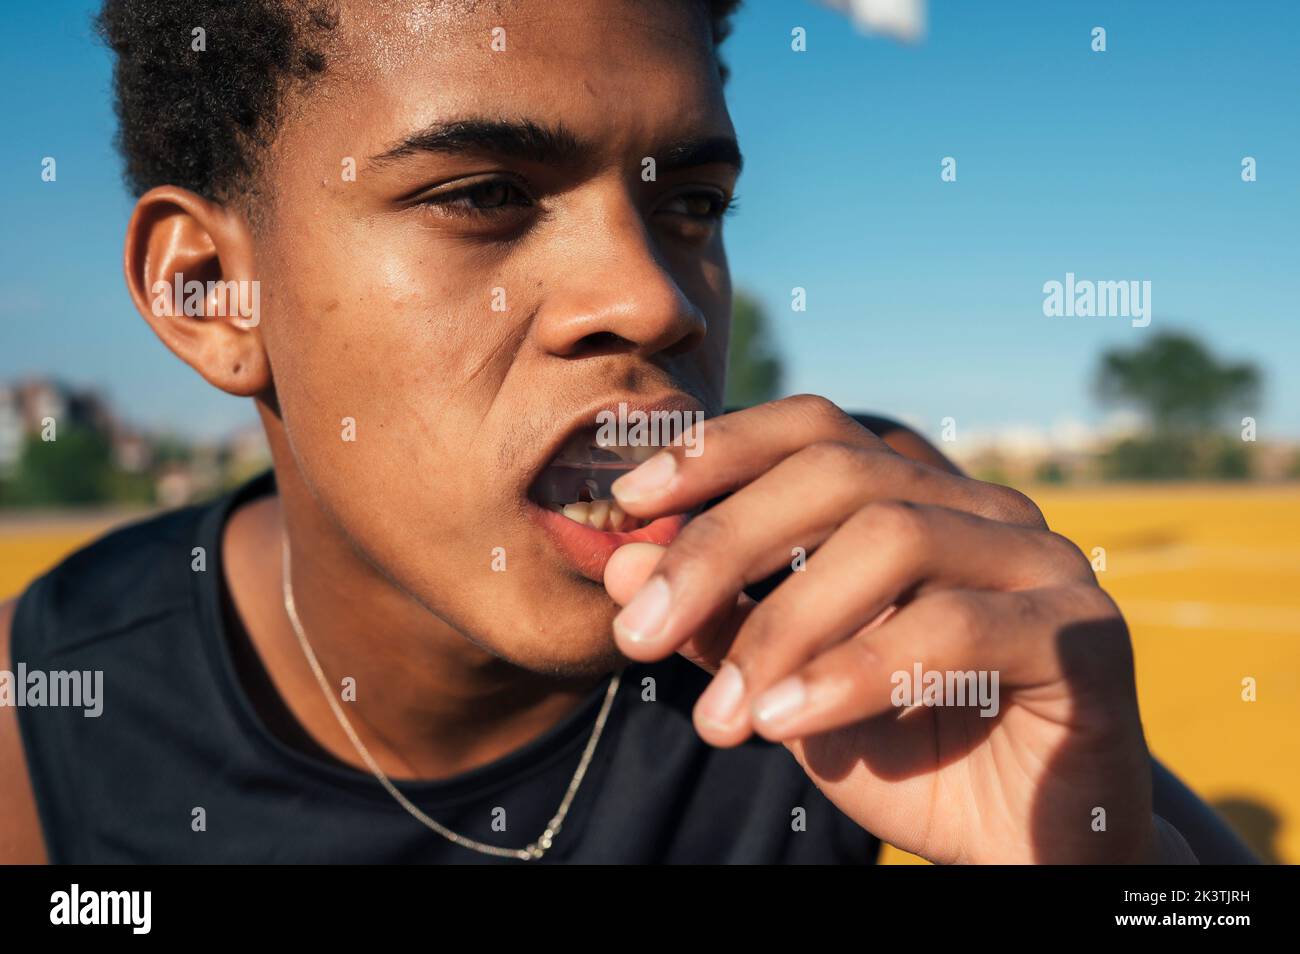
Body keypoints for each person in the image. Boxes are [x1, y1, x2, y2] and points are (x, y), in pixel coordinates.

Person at [0, 0, 1256, 864]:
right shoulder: (53, 710)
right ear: (212, 291)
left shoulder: (856, 572)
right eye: (483, 195)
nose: (653, 297)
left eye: (693, 202)